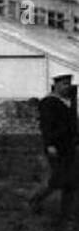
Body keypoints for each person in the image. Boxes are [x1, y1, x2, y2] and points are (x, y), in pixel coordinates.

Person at [28, 74, 77, 220]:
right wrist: (49, 145)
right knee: (57, 179)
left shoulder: (69, 102)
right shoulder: (48, 102)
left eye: (68, 84)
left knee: (72, 181)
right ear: (55, 85)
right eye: (64, 84)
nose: (67, 87)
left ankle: (67, 213)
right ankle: (34, 200)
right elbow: (46, 126)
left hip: (69, 146)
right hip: (56, 146)